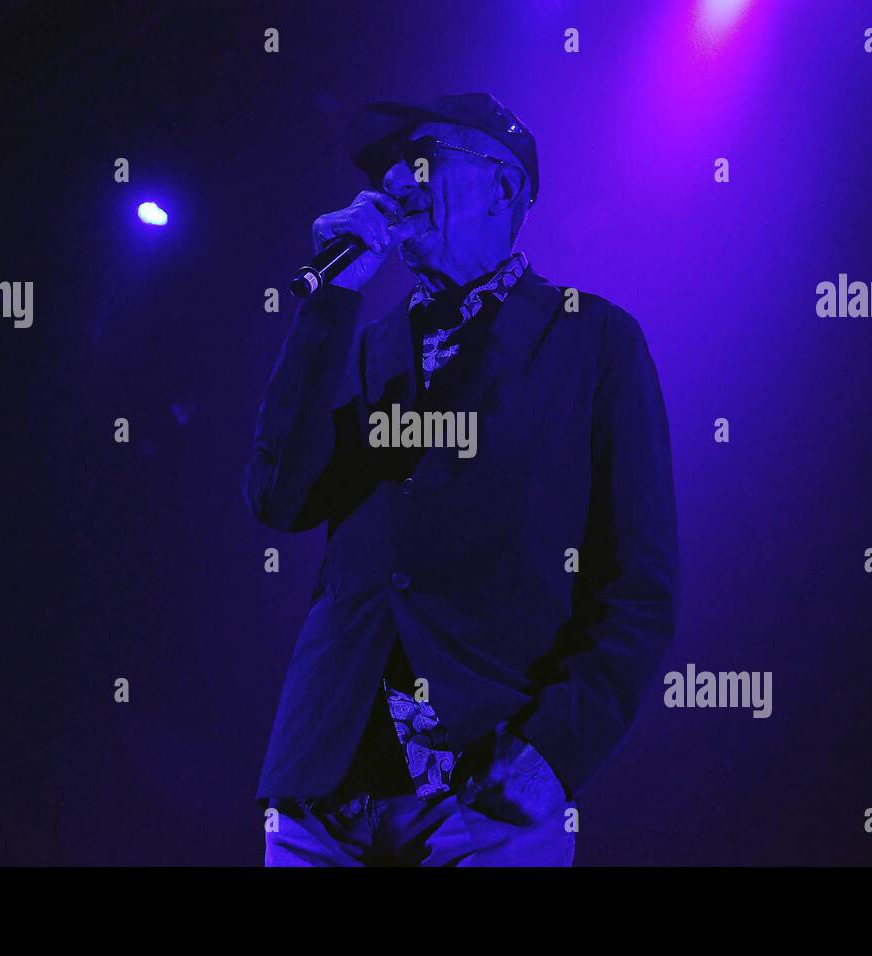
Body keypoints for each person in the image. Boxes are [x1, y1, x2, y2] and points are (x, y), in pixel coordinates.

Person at [244, 93, 679, 865]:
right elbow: (278, 500)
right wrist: (328, 305)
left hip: (484, 790)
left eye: (423, 163)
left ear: (504, 189)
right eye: (392, 171)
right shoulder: (367, 343)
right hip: (326, 786)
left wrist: (554, 751)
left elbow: (638, 588)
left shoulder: (595, 340)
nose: (401, 184)